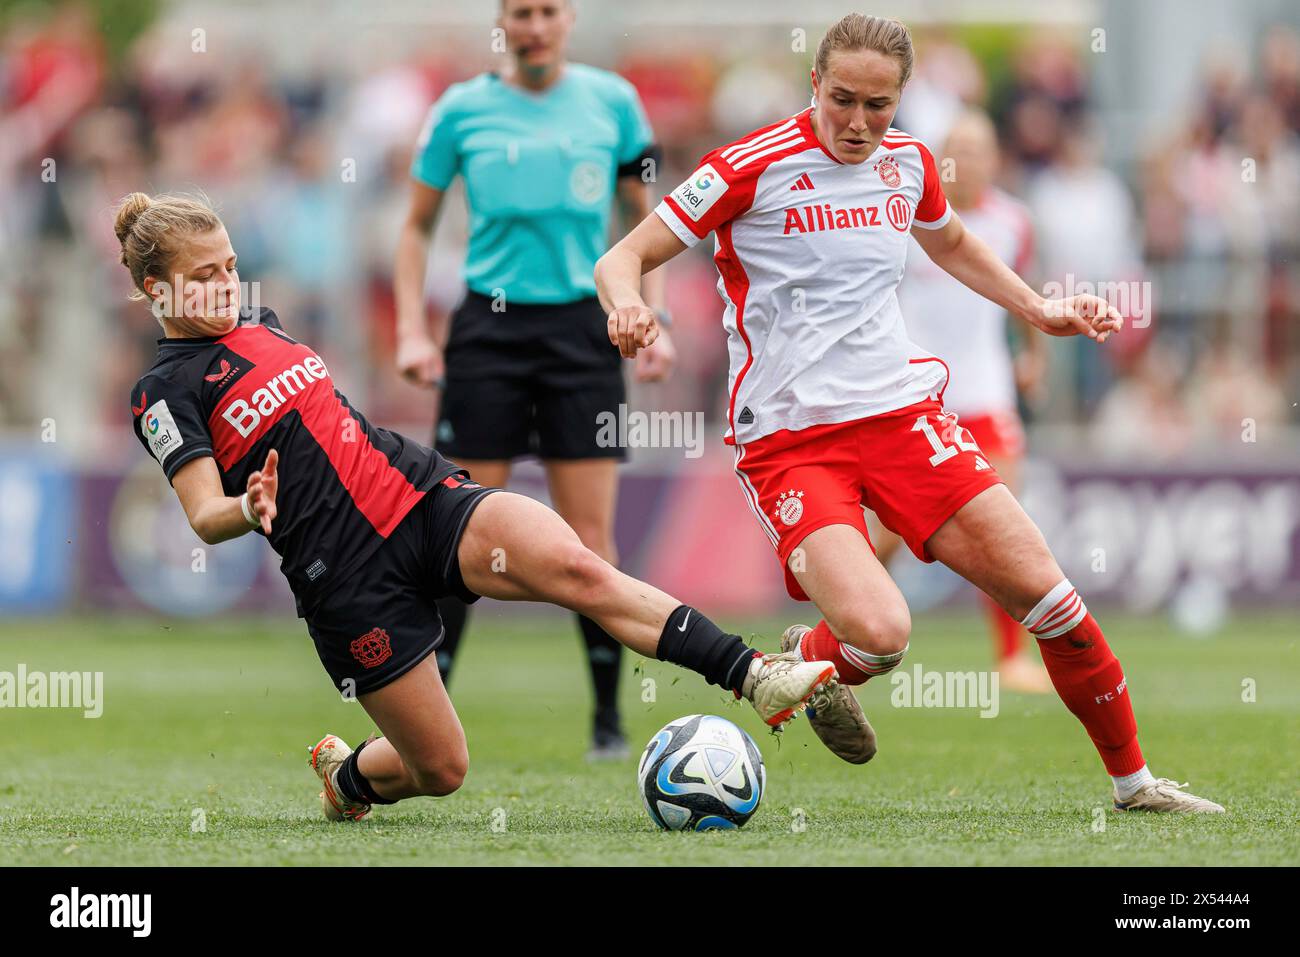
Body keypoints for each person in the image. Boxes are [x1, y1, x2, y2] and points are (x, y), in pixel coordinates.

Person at [595, 14, 1223, 812]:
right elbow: (623, 257)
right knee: (883, 635)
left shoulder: (909, 163)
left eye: (880, 105)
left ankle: (1135, 786)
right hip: (792, 442)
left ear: (903, 100)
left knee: (1054, 601)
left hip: (902, 419)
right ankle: (800, 663)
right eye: (844, 101)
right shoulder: (746, 166)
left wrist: (1038, 308)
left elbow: (952, 241)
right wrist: (627, 309)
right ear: (814, 84)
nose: (860, 123)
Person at [118, 191, 839, 823]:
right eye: (202, 276)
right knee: (441, 769)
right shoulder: (164, 392)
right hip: (346, 579)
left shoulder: (263, 321)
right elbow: (205, 514)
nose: (224, 285)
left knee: (578, 568)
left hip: (422, 498)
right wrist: (248, 505)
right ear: (157, 289)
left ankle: (751, 673)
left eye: (230, 266)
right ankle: (347, 776)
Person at [393, 0, 674, 760]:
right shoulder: (460, 110)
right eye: (521, 12)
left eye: (548, 11)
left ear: (569, 17)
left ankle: (609, 722)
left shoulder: (615, 102)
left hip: (584, 331)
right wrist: (414, 329)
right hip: (486, 331)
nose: (535, 26)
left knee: (590, 538)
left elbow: (649, 226)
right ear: (503, 21)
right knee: (456, 532)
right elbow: (415, 225)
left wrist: (654, 320)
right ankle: (430, 718)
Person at [886, 106, 1053, 694]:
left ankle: (1010, 658)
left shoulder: (1014, 222)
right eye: (957, 149)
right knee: (881, 537)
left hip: (986, 392)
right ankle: (847, 639)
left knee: (1004, 526)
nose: (969, 161)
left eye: (980, 150)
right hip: (915, 396)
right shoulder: (904, 216)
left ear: (995, 159)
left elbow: (1027, 291)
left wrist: (1033, 356)